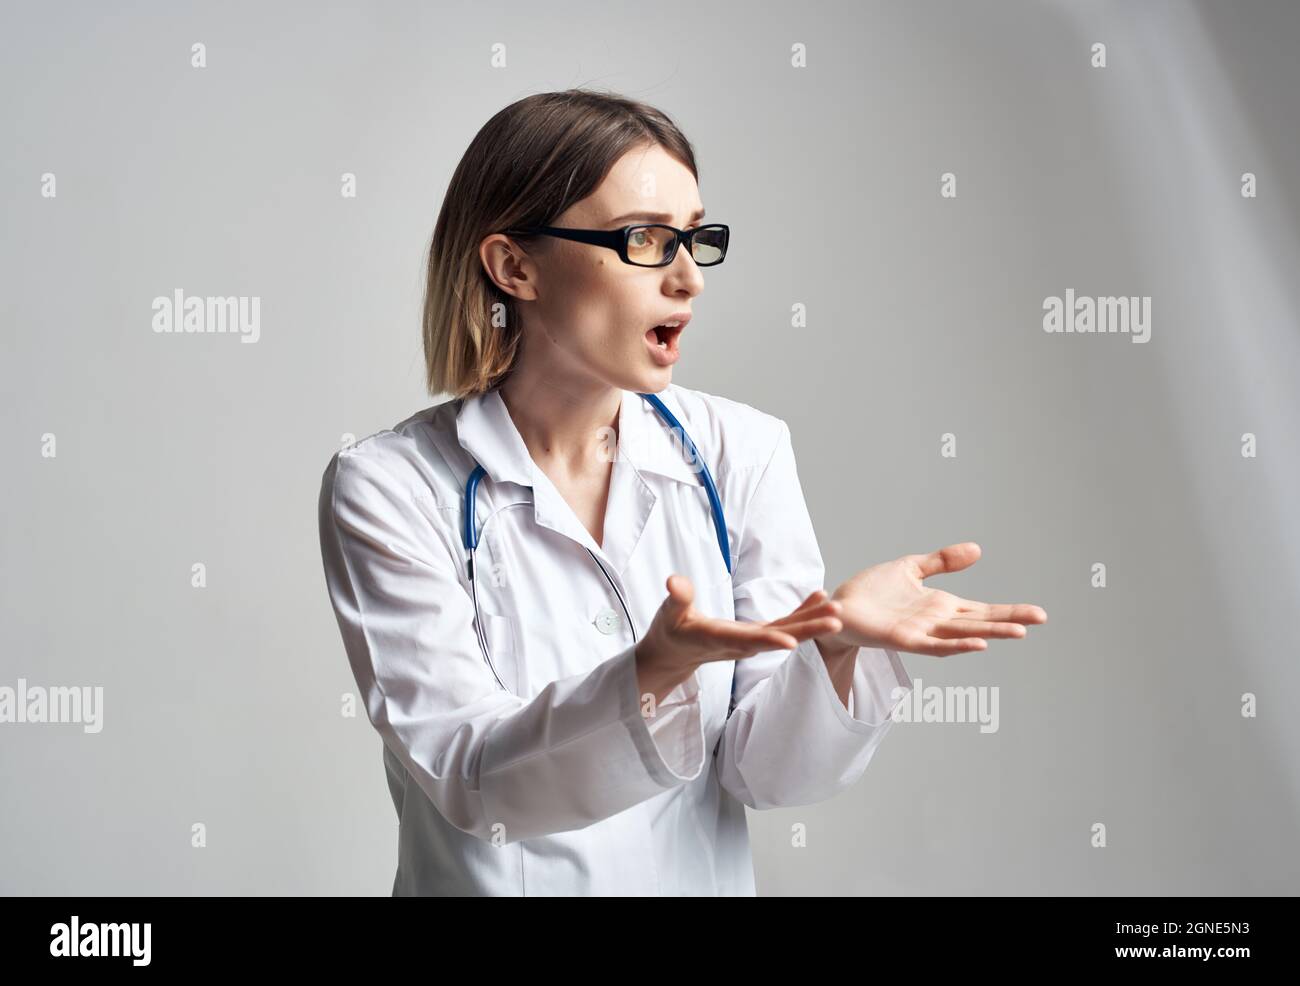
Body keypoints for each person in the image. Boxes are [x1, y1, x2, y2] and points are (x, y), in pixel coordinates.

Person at [317, 88, 1047, 896]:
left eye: (695, 240)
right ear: (514, 266)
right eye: (645, 240)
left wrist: (837, 648)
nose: (688, 279)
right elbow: (471, 778)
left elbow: (767, 775)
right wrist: (647, 675)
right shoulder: (390, 487)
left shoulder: (743, 451)